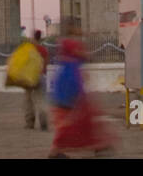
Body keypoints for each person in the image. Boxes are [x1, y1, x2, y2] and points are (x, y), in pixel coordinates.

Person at [47, 19, 111, 158]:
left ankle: (58, 150)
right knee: (78, 116)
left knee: (75, 116)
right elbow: (86, 57)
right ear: (73, 28)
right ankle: (96, 145)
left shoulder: (64, 44)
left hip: (67, 82)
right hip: (70, 83)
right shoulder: (71, 44)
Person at [24, 30, 49, 131]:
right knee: (42, 99)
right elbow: (46, 63)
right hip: (41, 75)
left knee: (29, 100)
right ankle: (43, 123)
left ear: (33, 38)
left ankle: (30, 123)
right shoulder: (44, 50)